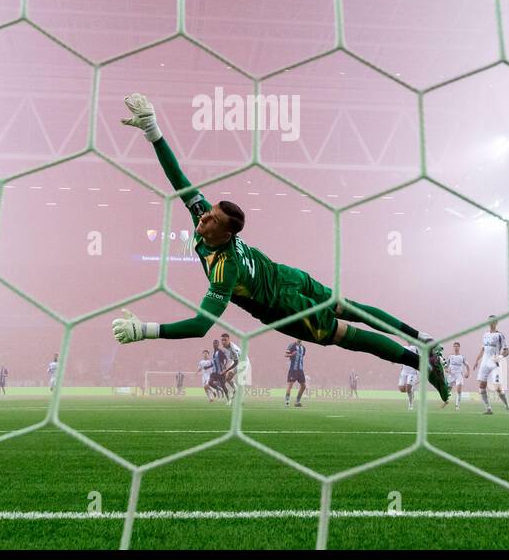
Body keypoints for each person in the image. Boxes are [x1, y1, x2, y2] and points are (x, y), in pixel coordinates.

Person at [110, 94, 448, 402]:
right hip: (287, 275)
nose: (203, 220)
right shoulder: (203, 219)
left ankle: (421, 359)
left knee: (347, 332)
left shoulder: (225, 268)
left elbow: (200, 326)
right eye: (208, 214)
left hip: (284, 304)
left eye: (212, 220)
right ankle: (422, 338)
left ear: (227, 234)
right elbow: (179, 179)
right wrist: (153, 130)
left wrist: (145, 331)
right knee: (346, 306)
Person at [470, 316, 509, 415]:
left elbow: (507, 351)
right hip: (484, 363)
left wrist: (499, 357)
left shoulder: (500, 335)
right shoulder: (485, 335)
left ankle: (507, 407)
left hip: (494, 364)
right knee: (482, 385)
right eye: (489, 321)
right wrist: (477, 360)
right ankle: (488, 408)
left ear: (496, 322)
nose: (491, 323)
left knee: (497, 387)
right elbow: (483, 349)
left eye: (493, 321)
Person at [284, 339, 306, 407]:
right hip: (293, 369)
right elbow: (285, 355)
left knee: (303, 386)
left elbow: (301, 357)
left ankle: (297, 401)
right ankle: (287, 402)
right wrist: (291, 354)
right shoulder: (292, 345)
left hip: (300, 369)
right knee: (290, 385)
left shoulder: (303, 348)